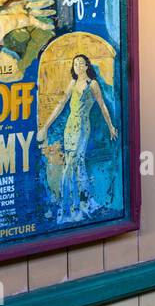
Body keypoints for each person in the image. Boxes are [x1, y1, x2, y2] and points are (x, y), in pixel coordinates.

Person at [39, 54, 117, 218]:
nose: (78, 66)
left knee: (73, 162)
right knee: (76, 163)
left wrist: (110, 126)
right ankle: (81, 203)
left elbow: (102, 105)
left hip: (82, 126)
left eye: (81, 63)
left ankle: (68, 205)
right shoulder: (72, 83)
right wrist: (45, 126)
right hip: (70, 125)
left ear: (87, 66)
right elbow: (60, 105)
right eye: (75, 64)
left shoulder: (93, 84)